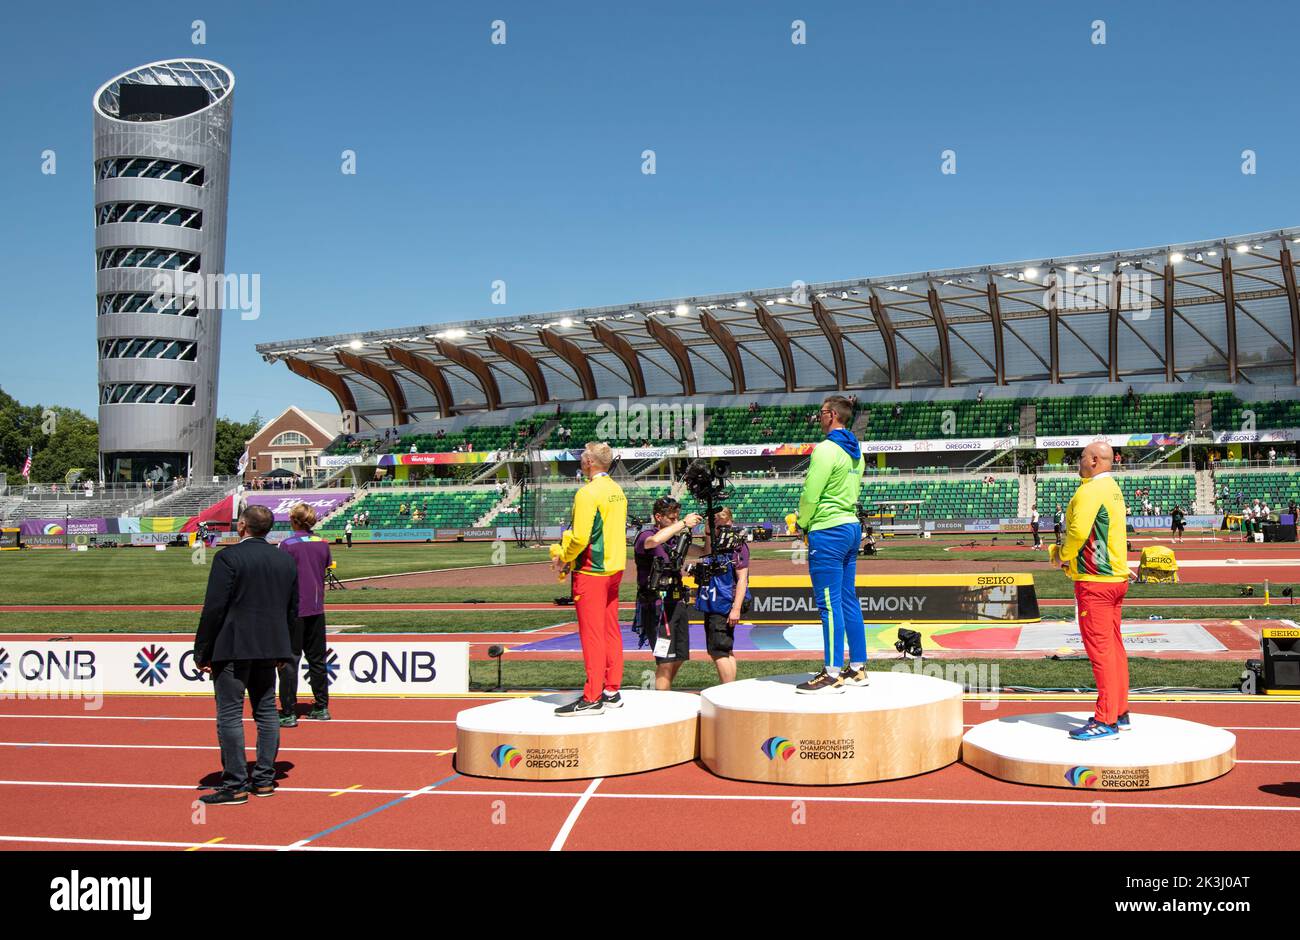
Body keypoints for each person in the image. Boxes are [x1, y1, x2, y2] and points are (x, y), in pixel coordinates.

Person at [193, 505, 298, 805]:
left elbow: (214, 608)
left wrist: (202, 650)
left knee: (230, 714)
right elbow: (292, 609)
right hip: (270, 647)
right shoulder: (284, 560)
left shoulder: (228, 557)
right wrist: (286, 648)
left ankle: (235, 783)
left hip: (233, 646)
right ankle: (263, 780)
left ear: (242, 526)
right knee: (266, 712)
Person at [1053, 441, 1132, 741]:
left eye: (1082, 457)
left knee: (1101, 652)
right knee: (1114, 648)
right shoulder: (1113, 488)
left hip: (1095, 582)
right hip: (1115, 579)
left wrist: (1061, 556)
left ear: (1095, 460)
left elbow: (1076, 533)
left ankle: (1106, 720)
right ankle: (1119, 712)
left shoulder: (1089, 490)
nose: (1078, 461)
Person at [794, 395, 868, 694]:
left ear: (832, 415)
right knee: (848, 598)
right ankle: (858, 667)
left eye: (821, 412)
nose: (818, 417)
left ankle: (832, 673)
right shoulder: (856, 451)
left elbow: (811, 494)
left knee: (829, 603)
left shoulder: (825, 449)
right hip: (850, 526)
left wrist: (802, 522)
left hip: (828, 529)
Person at [550, 442, 627, 715]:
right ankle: (611, 690)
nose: (580, 460)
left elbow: (580, 538)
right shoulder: (616, 490)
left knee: (592, 635)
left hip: (592, 570)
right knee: (610, 630)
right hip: (614, 568)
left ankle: (592, 696)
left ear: (590, 462)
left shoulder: (587, 492)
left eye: (582, 457)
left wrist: (564, 557)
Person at [633, 497, 702, 690]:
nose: (675, 521)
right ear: (658, 517)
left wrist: (708, 530)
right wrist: (682, 523)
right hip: (657, 604)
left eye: (677, 517)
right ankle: (662, 697)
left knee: (680, 655)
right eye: (672, 518)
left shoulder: (673, 539)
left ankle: (660, 692)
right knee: (665, 660)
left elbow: (703, 551)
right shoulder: (645, 535)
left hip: (677, 601)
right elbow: (654, 541)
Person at [277, 503, 334, 727]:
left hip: (294, 609)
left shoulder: (287, 544)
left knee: (290, 661)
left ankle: (288, 712)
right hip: (317, 608)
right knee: (317, 660)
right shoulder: (322, 543)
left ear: (294, 521)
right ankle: (321, 706)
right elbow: (325, 567)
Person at [695, 506, 751, 685]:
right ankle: (730, 688)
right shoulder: (717, 544)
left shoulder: (737, 546)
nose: (717, 529)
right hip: (715, 602)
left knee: (718, 651)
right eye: (715, 525)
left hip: (723, 603)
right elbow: (705, 551)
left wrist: (736, 609)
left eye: (720, 524)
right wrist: (708, 532)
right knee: (725, 650)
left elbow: (742, 580)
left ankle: (727, 691)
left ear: (730, 522)